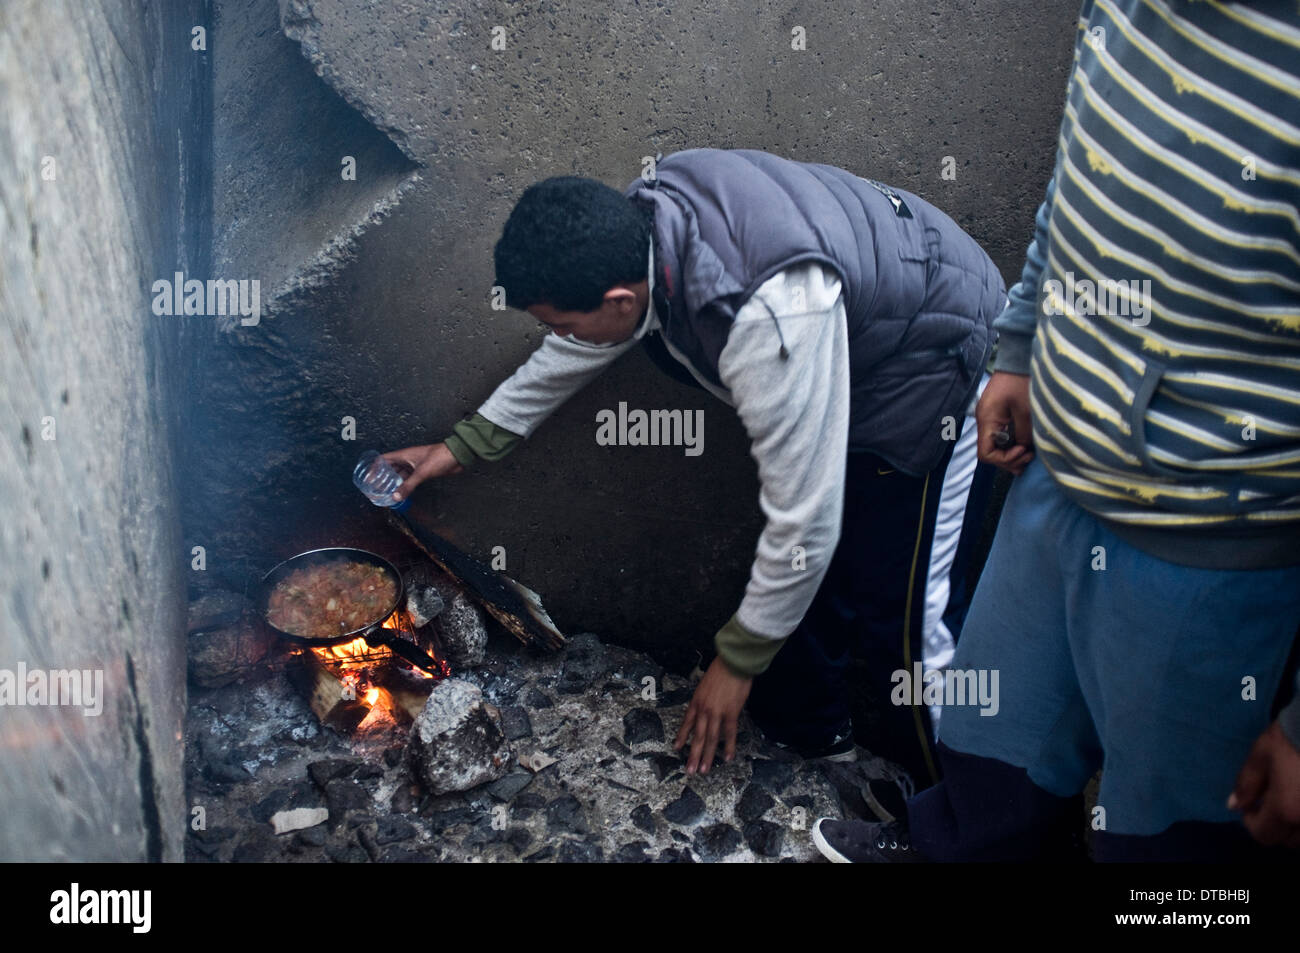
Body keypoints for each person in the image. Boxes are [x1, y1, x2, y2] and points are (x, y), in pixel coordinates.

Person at [813, 0, 1300, 863]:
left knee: (1170, 828)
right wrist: (1023, 342)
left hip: (1210, 545)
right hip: (1057, 470)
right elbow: (1082, 172)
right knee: (995, 730)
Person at [384, 148, 1005, 786]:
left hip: (936, 372)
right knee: (821, 571)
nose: (561, 336)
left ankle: (964, 816)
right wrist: (465, 446)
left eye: (563, 322)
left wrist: (734, 664)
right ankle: (813, 736)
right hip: (850, 356)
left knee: (908, 627)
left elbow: (805, 525)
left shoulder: (769, 317)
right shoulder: (645, 222)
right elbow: (571, 348)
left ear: (620, 301)